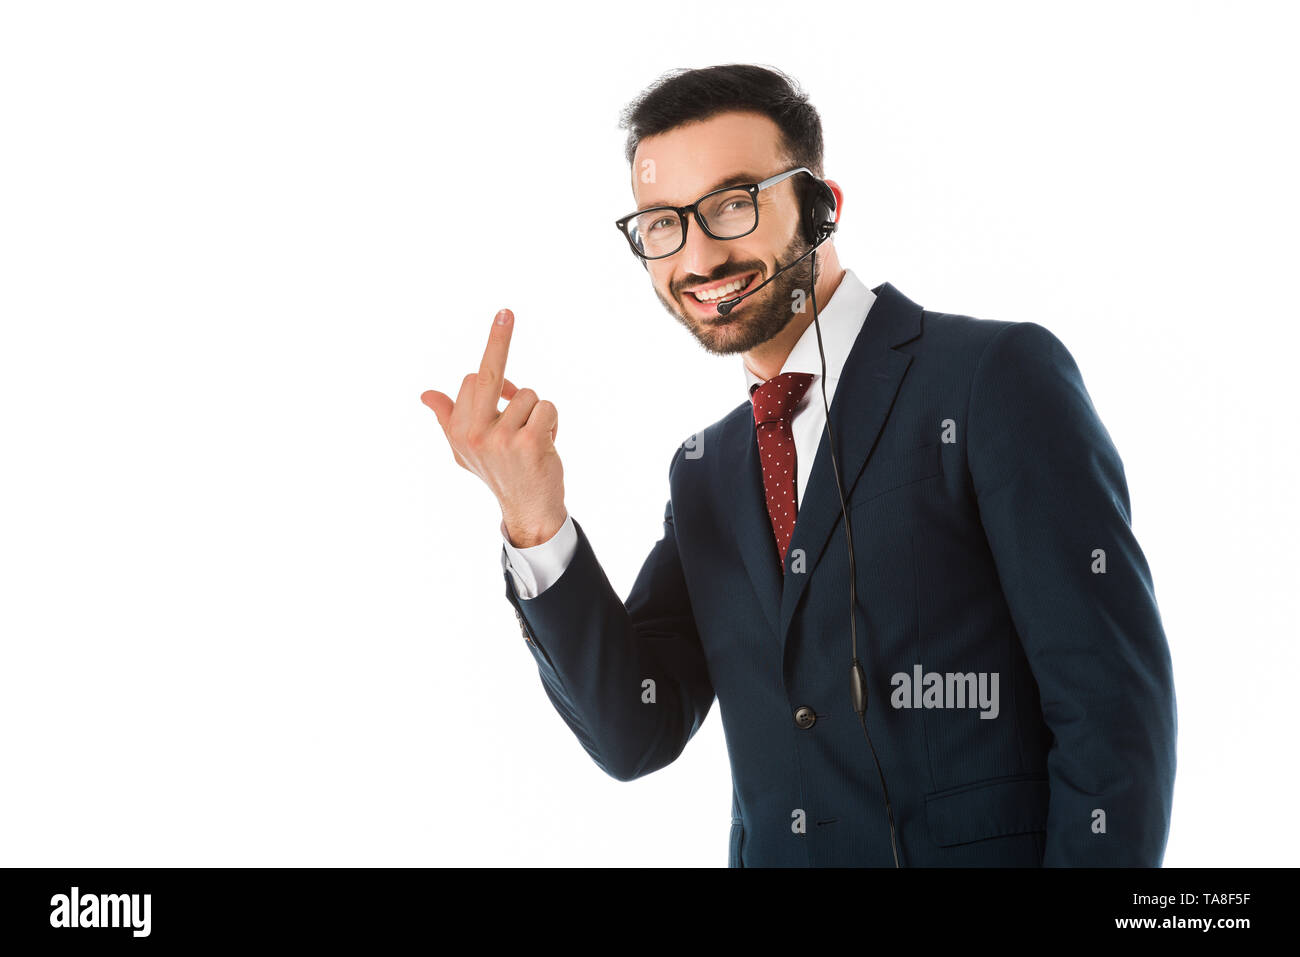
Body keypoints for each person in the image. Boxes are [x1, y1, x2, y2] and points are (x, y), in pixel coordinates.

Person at [420, 64, 1177, 867]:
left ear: (821, 207)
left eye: (731, 204)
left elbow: (1113, 714)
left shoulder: (992, 377)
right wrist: (534, 519)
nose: (699, 254)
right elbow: (636, 729)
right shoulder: (706, 472)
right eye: (663, 224)